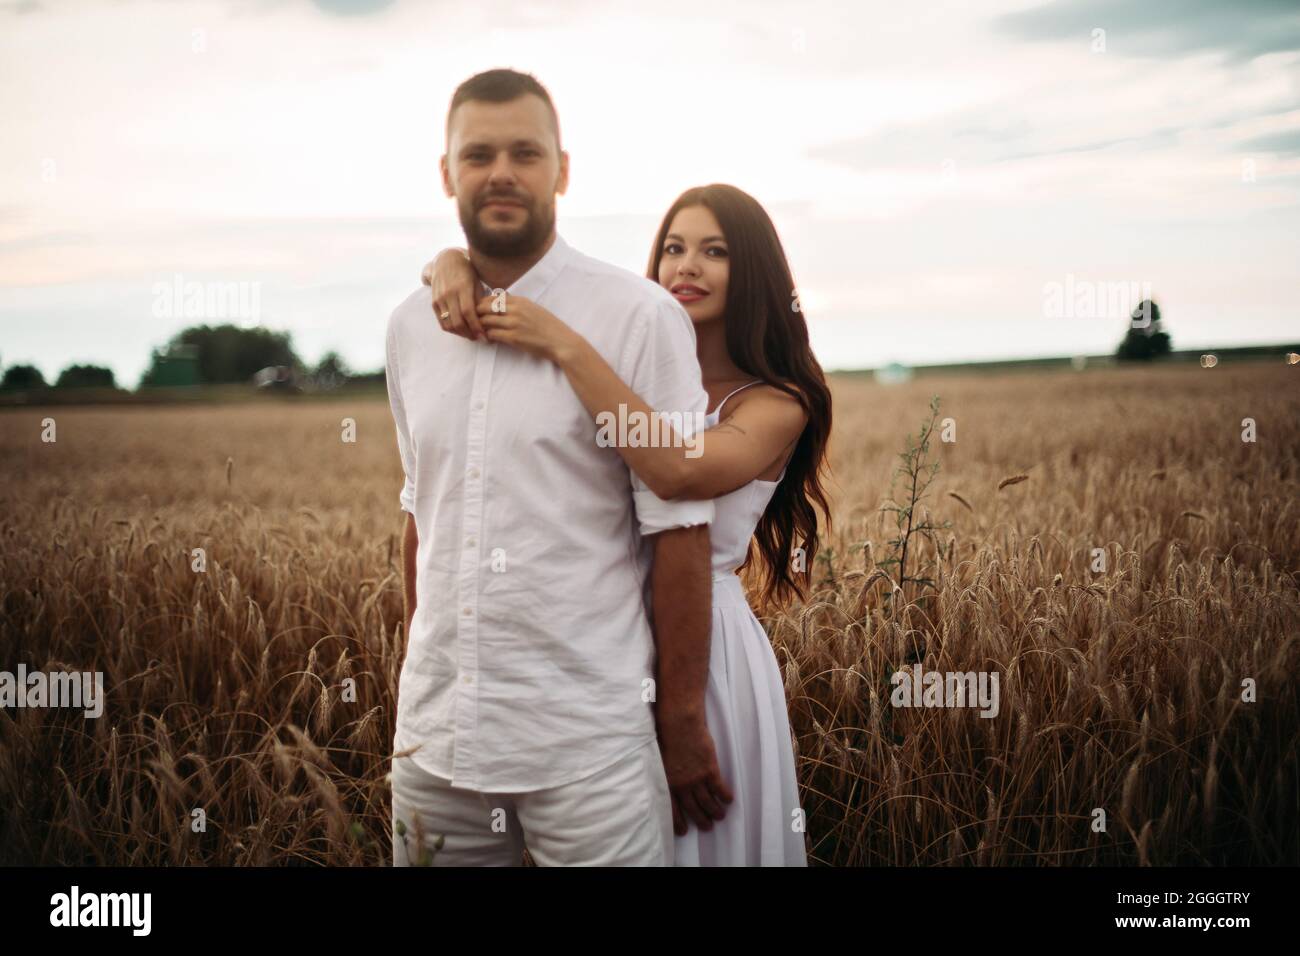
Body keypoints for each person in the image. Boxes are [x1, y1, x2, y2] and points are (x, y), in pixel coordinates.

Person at [421, 182, 833, 865]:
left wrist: (567, 346)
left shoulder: (776, 402)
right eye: (672, 248)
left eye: (714, 251)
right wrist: (447, 262)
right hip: (597, 634)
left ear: (755, 271)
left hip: (704, 654)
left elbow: (678, 472)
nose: (685, 267)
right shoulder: (636, 368)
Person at [385, 68, 731, 866]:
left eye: (525, 153)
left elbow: (680, 527)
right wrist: (419, 689)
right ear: (446, 174)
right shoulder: (410, 326)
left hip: (588, 750)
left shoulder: (637, 316)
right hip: (436, 752)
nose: (500, 172)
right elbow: (419, 516)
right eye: (477, 155)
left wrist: (679, 720)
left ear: (562, 170)